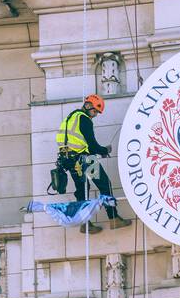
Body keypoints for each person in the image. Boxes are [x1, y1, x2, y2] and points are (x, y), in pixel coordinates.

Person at [53, 94, 130, 229]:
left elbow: (78, 143)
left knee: (82, 190)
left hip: (69, 160)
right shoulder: (84, 119)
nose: (95, 115)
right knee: (105, 184)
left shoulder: (70, 118)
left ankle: (85, 224)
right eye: (95, 111)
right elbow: (92, 145)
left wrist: (98, 151)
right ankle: (113, 218)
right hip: (86, 159)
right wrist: (104, 150)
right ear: (88, 106)